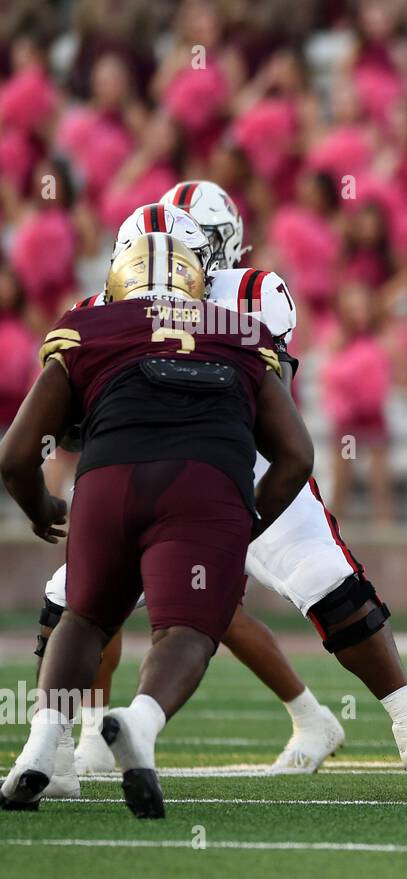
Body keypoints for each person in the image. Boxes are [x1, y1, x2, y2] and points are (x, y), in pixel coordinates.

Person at [0, 234, 311, 817]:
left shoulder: (88, 325)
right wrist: (245, 519)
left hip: (109, 479)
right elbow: (296, 454)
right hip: (206, 484)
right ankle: (140, 723)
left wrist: (40, 508)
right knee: (186, 632)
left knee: (85, 618)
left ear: (119, 281)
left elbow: (16, 454)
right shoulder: (239, 331)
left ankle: (40, 749)